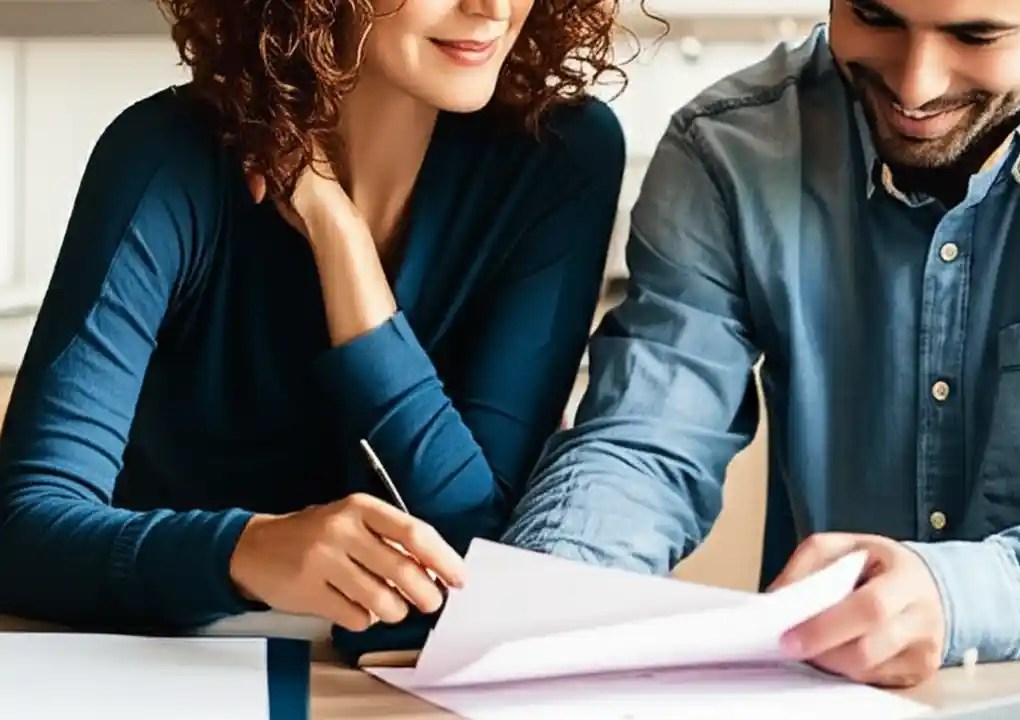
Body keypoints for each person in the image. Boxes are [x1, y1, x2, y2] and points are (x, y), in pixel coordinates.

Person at [503, 0, 1020, 688]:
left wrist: (953, 595)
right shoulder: (727, 150)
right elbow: (643, 447)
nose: (914, 86)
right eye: (875, 18)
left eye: (976, 34)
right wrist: (530, 615)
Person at [0, 0, 625, 658]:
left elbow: (479, 550)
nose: (492, 7)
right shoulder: (166, 158)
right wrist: (247, 552)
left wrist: (340, 241)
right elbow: (23, 532)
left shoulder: (561, 156)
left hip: (392, 697)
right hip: (158, 671)